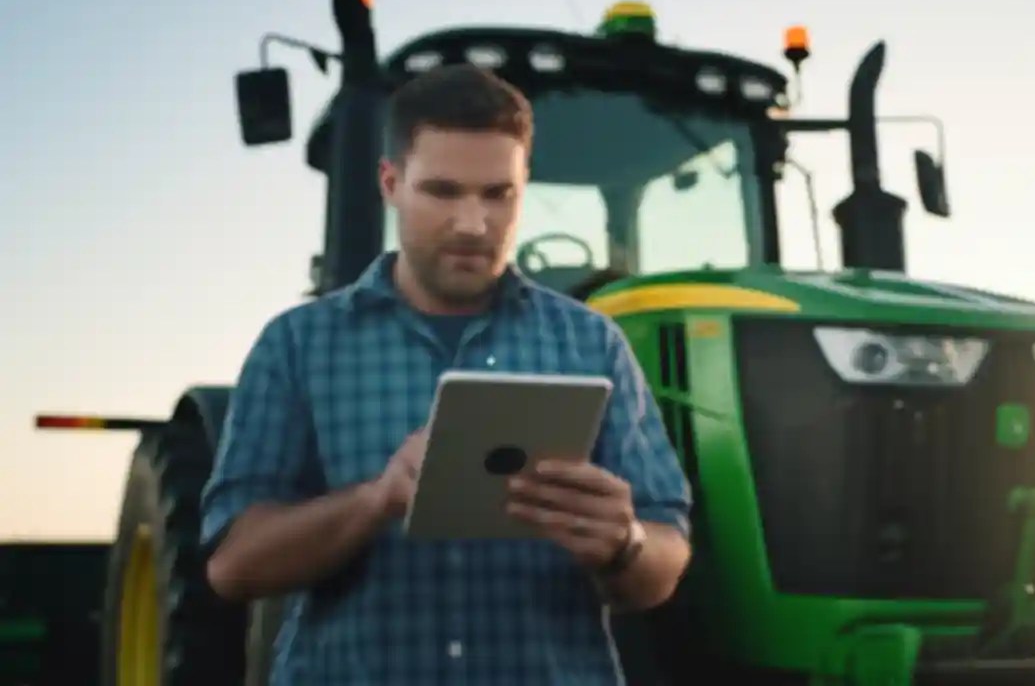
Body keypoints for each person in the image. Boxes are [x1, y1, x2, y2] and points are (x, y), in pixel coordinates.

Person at [200, 63, 693, 685]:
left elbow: (666, 557)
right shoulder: (297, 346)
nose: (472, 224)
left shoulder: (594, 344)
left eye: (497, 195)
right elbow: (232, 566)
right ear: (390, 183)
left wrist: (624, 543)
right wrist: (377, 500)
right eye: (442, 192)